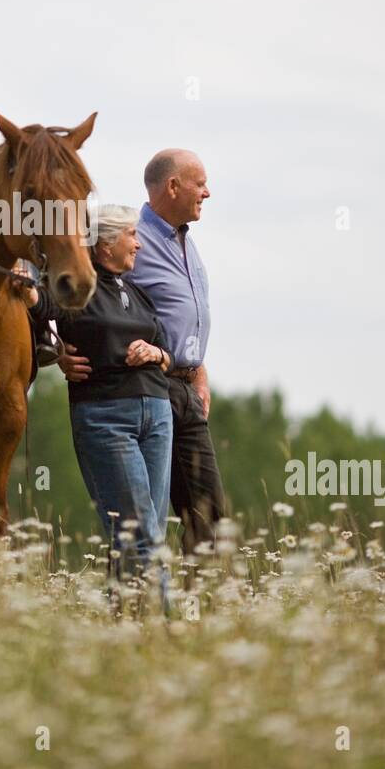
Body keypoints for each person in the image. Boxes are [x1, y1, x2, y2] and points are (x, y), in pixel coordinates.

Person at [60, 151, 226, 555]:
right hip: (145, 388)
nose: (208, 191)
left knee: (209, 518)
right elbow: (73, 283)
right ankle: (144, 606)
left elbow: (180, 318)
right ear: (173, 186)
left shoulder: (187, 242)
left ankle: (195, 611)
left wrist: (199, 374)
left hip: (185, 390)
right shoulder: (130, 237)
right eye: (199, 183)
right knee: (139, 524)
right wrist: (56, 348)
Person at [15, 205, 174, 599]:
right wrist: (29, 287)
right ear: (105, 245)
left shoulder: (137, 292)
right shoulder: (77, 287)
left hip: (157, 412)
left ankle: (124, 626)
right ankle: (169, 624)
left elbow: (168, 352)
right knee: (141, 532)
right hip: (106, 415)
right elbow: (45, 308)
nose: (138, 243)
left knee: (142, 530)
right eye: (131, 236)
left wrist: (155, 354)